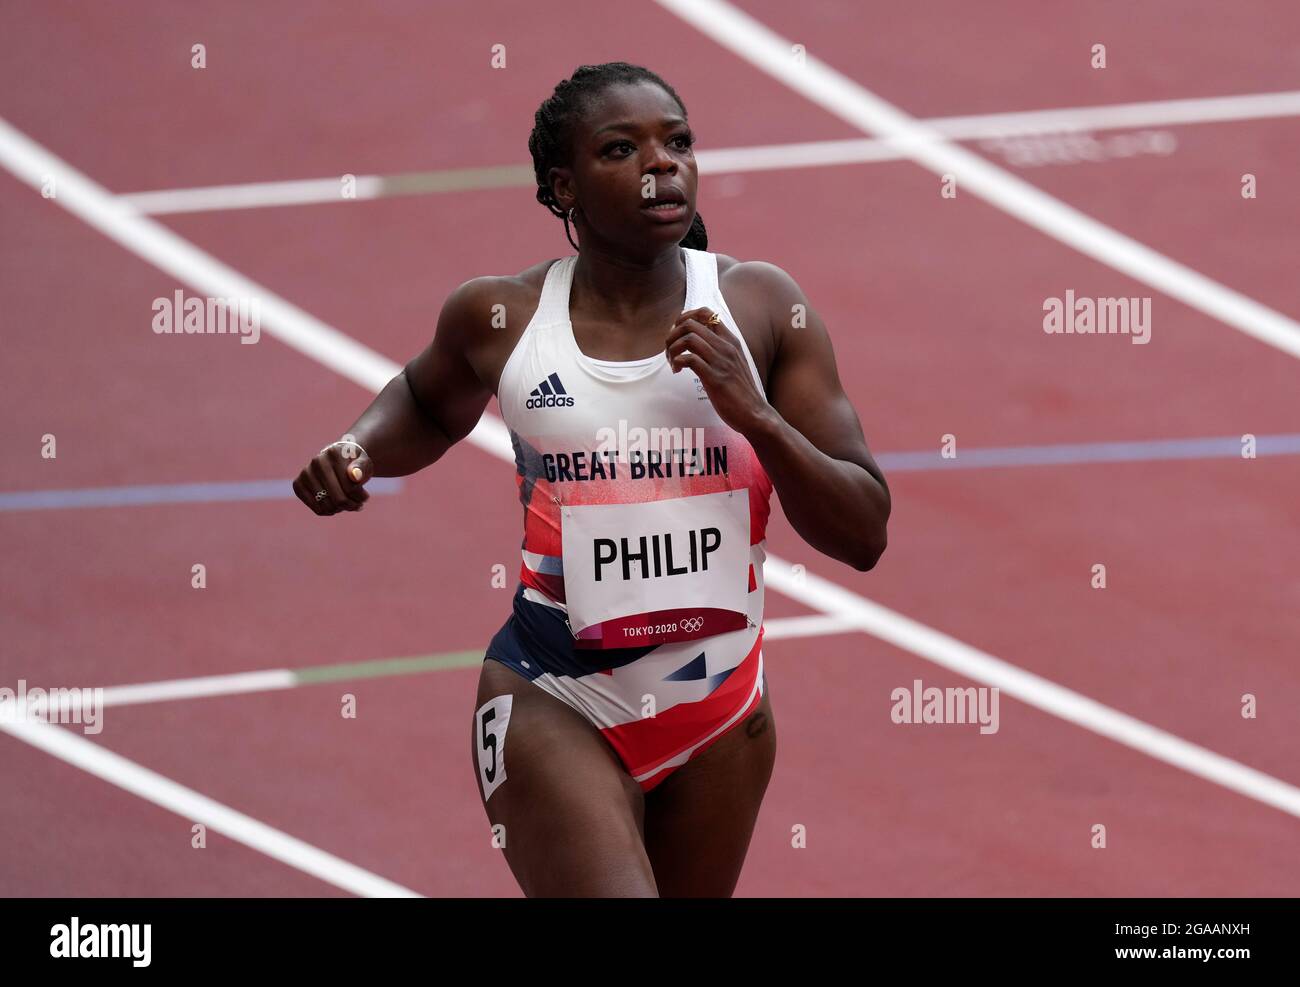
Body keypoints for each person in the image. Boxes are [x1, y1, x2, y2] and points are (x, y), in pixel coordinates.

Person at [293, 62, 890, 897]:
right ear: (563, 187)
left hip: (720, 708)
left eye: (678, 142)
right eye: (624, 148)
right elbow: (426, 403)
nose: (663, 164)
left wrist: (754, 414)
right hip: (554, 697)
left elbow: (864, 532)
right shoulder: (503, 318)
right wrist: (357, 450)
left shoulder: (761, 308)